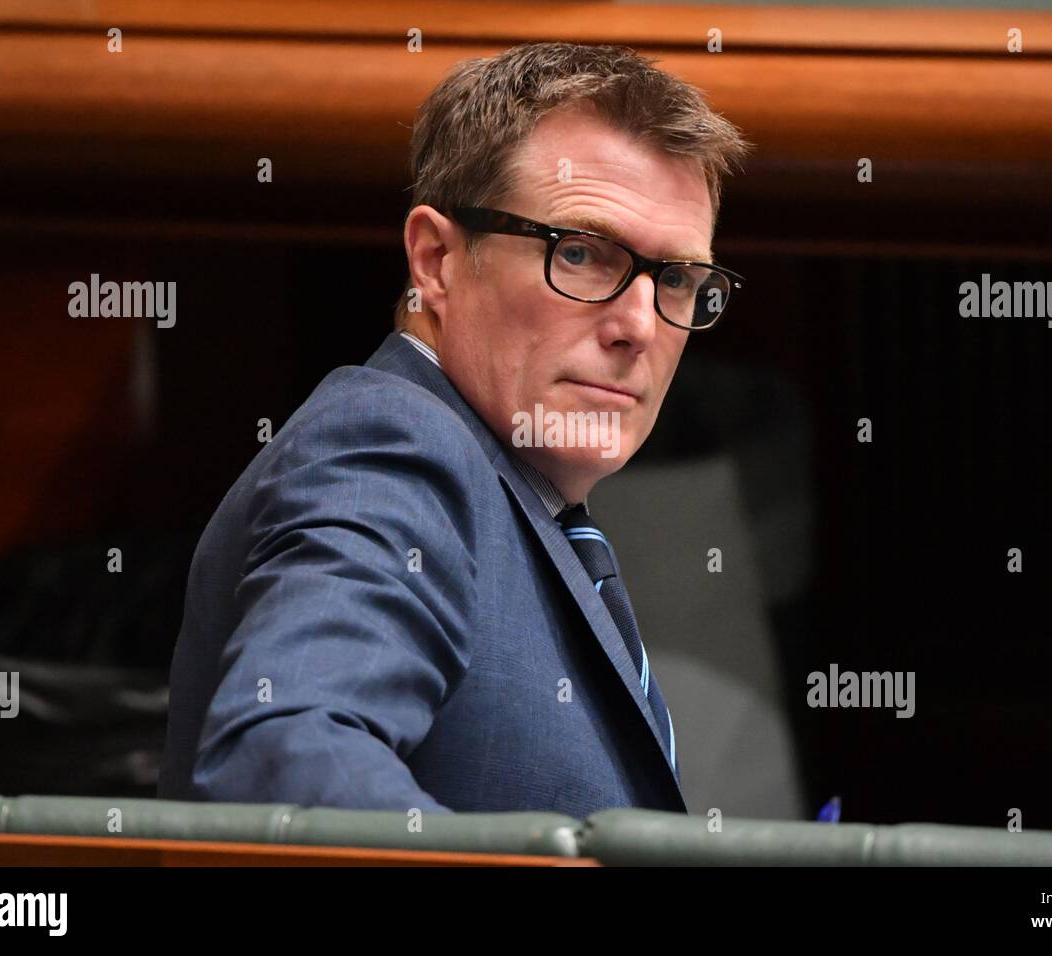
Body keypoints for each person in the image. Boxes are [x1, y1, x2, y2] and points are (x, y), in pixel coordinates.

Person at [158, 41, 751, 817]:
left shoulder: (514, 494)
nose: (639, 325)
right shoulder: (390, 445)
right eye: (580, 253)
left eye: (675, 277)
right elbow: (285, 757)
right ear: (436, 260)